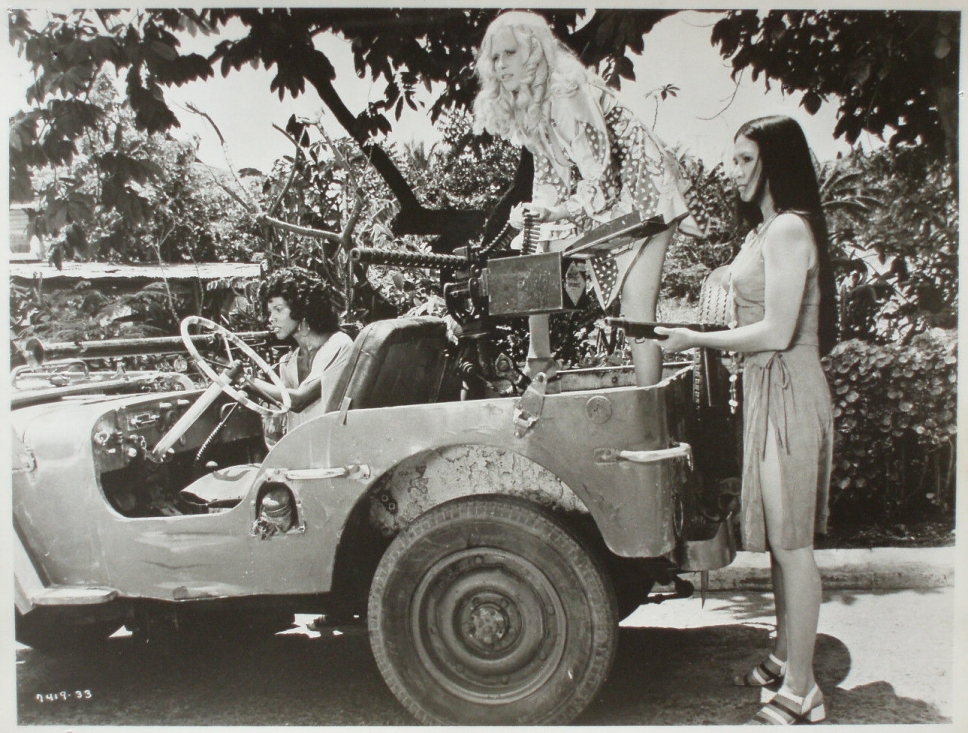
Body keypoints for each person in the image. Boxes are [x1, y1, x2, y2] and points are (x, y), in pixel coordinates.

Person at [655, 115, 838, 725]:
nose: (731, 170)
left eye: (744, 159)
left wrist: (695, 339)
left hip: (788, 387)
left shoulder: (787, 228)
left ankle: (804, 691)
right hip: (766, 387)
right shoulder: (764, 230)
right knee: (781, 541)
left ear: (774, 162)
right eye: (731, 159)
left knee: (792, 545)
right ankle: (785, 657)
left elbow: (778, 331)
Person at [472, 10, 708, 386]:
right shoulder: (532, 104)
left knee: (637, 317)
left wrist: (557, 213)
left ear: (533, 51)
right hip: (610, 198)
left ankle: (649, 413)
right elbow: (550, 179)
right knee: (536, 244)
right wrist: (538, 213)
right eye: (495, 57)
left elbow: (603, 177)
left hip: (645, 193)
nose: (500, 65)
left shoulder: (564, 91)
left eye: (510, 53)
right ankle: (539, 360)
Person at [246, 266, 353, 446]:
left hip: (333, 449)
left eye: (278, 309)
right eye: (270, 312)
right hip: (301, 452)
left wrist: (247, 381)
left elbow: (298, 400)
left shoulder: (339, 345)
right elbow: (281, 416)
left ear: (301, 309)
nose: (271, 318)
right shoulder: (288, 362)